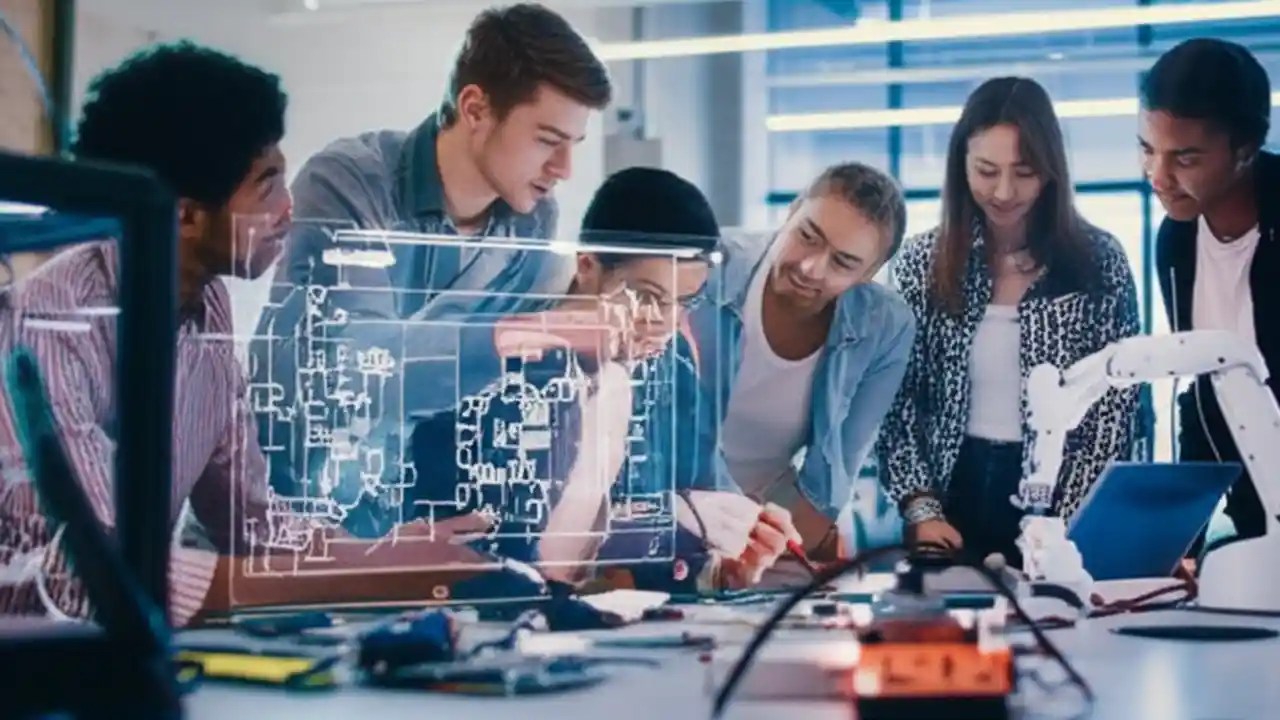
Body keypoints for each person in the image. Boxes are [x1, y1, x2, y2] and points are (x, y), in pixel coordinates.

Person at [0, 42, 490, 627]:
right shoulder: (48, 325)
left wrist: (379, 553)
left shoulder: (207, 303)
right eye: (266, 186)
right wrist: (369, 574)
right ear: (185, 216)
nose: (289, 209)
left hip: (124, 647)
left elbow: (249, 518)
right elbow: (94, 569)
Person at [252, 2, 613, 536]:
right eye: (547, 140)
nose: (563, 170)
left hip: (398, 520)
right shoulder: (351, 183)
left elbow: (492, 391)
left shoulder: (531, 222)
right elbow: (356, 369)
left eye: (573, 146)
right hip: (275, 515)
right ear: (475, 109)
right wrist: (521, 335)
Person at [411, 167, 801, 592]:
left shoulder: (672, 365)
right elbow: (475, 551)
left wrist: (720, 567)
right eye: (646, 297)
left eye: (684, 302)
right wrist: (659, 518)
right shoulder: (495, 361)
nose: (664, 323)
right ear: (587, 266)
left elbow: (692, 519)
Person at [878, 77, 1142, 567]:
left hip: (1057, 498)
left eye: (1024, 172)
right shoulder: (922, 262)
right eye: (986, 171)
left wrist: (1065, 525)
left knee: (1056, 611)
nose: (1003, 191)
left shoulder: (1098, 261)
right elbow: (898, 402)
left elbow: (1114, 411)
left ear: (1051, 171)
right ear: (961, 165)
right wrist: (921, 508)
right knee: (950, 613)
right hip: (950, 496)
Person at [681, 162, 916, 562]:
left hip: (768, 517)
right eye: (807, 236)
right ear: (792, 212)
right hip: (674, 504)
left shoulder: (885, 327)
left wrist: (755, 553)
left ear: (870, 273)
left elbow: (830, 482)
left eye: (843, 263)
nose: (811, 268)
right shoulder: (709, 269)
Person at [1143, 39, 1279, 546]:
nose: (1159, 177)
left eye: (1186, 158)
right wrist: (1182, 542)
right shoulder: (1176, 240)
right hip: (1257, 520)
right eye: (1148, 150)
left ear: (1245, 149)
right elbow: (1205, 395)